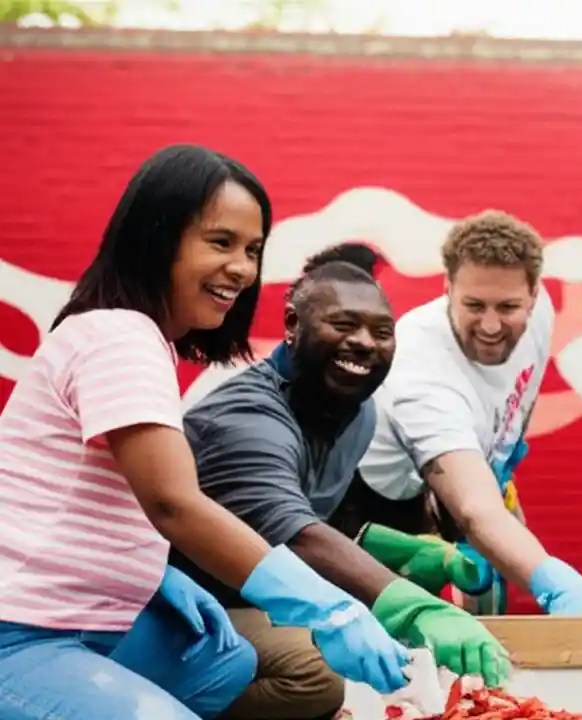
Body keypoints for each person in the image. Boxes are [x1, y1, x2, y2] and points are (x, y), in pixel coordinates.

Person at [0, 145, 412, 720]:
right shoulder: (120, 337)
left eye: (253, 250)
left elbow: (90, 493)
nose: (242, 268)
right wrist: (331, 610)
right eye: (220, 243)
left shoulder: (136, 339)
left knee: (227, 665)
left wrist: (154, 574)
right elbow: (173, 502)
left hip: (95, 619)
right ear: (157, 236)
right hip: (22, 632)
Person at [175, 243, 510, 719]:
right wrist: (413, 606)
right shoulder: (248, 417)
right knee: (314, 681)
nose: (365, 343)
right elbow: (288, 533)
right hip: (173, 606)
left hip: (247, 598)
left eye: (381, 332)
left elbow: (318, 523)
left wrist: (407, 551)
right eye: (343, 325)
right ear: (292, 326)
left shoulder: (357, 415)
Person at [347, 209, 582, 615]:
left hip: (468, 465)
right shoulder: (418, 367)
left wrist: (502, 466)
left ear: (534, 295)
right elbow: (473, 509)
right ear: (447, 287)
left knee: (491, 594)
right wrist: (552, 579)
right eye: (474, 305)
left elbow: (517, 398)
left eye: (507, 307)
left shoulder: (540, 317)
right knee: (410, 631)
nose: (490, 326)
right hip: (381, 499)